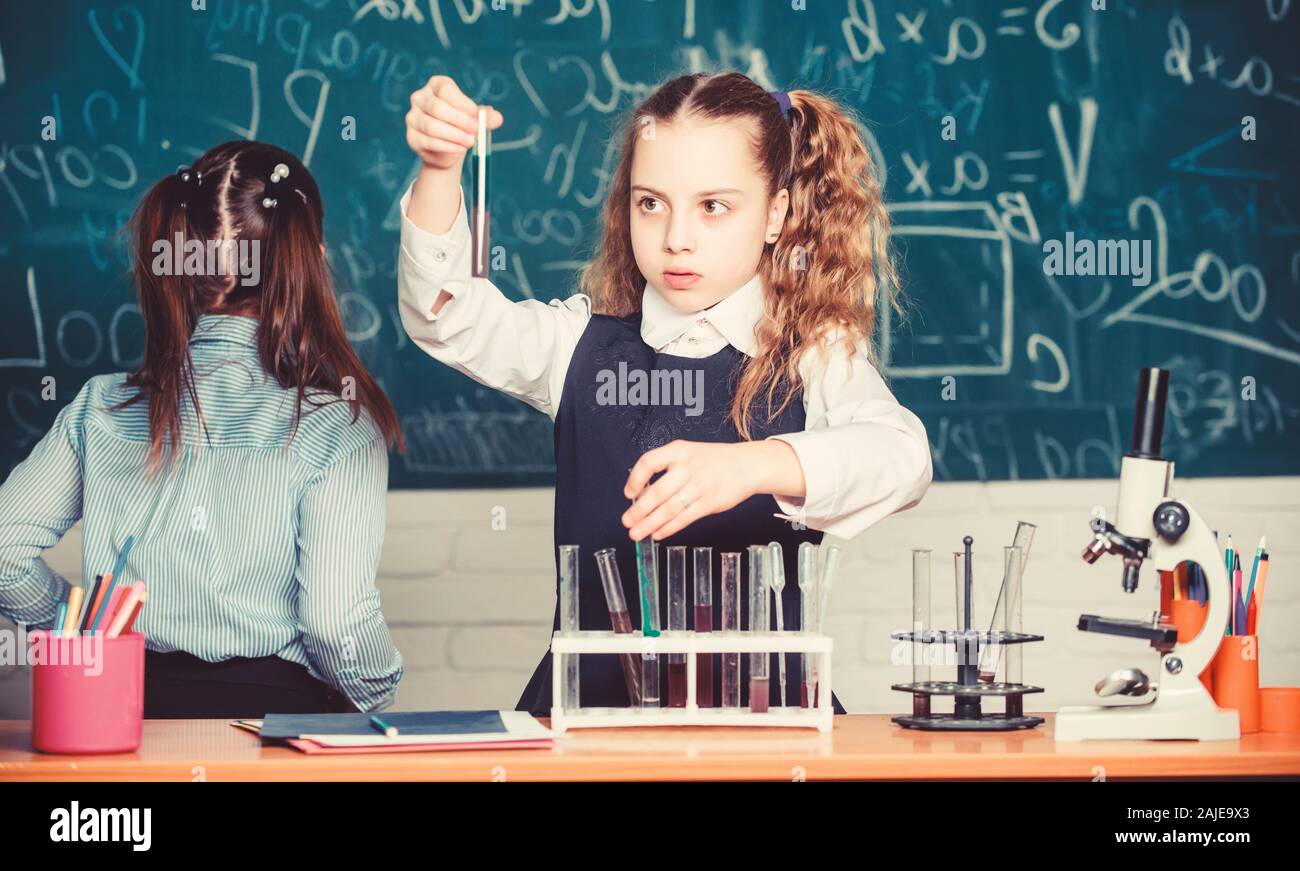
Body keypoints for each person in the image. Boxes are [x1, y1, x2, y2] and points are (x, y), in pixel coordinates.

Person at [398, 73, 933, 714]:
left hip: (767, 726)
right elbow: (444, 317)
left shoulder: (815, 358)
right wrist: (437, 169)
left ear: (777, 215)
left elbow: (903, 458)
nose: (677, 237)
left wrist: (754, 463)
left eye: (714, 206)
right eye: (652, 203)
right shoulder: (577, 347)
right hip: (588, 724)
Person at [0, 141, 405, 718]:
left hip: (124, 715)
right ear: (309, 258)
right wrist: (375, 697)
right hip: (276, 723)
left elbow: (3, 550)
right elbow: (336, 621)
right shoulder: (337, 425)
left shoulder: (100, 407)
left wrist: (93, 635)